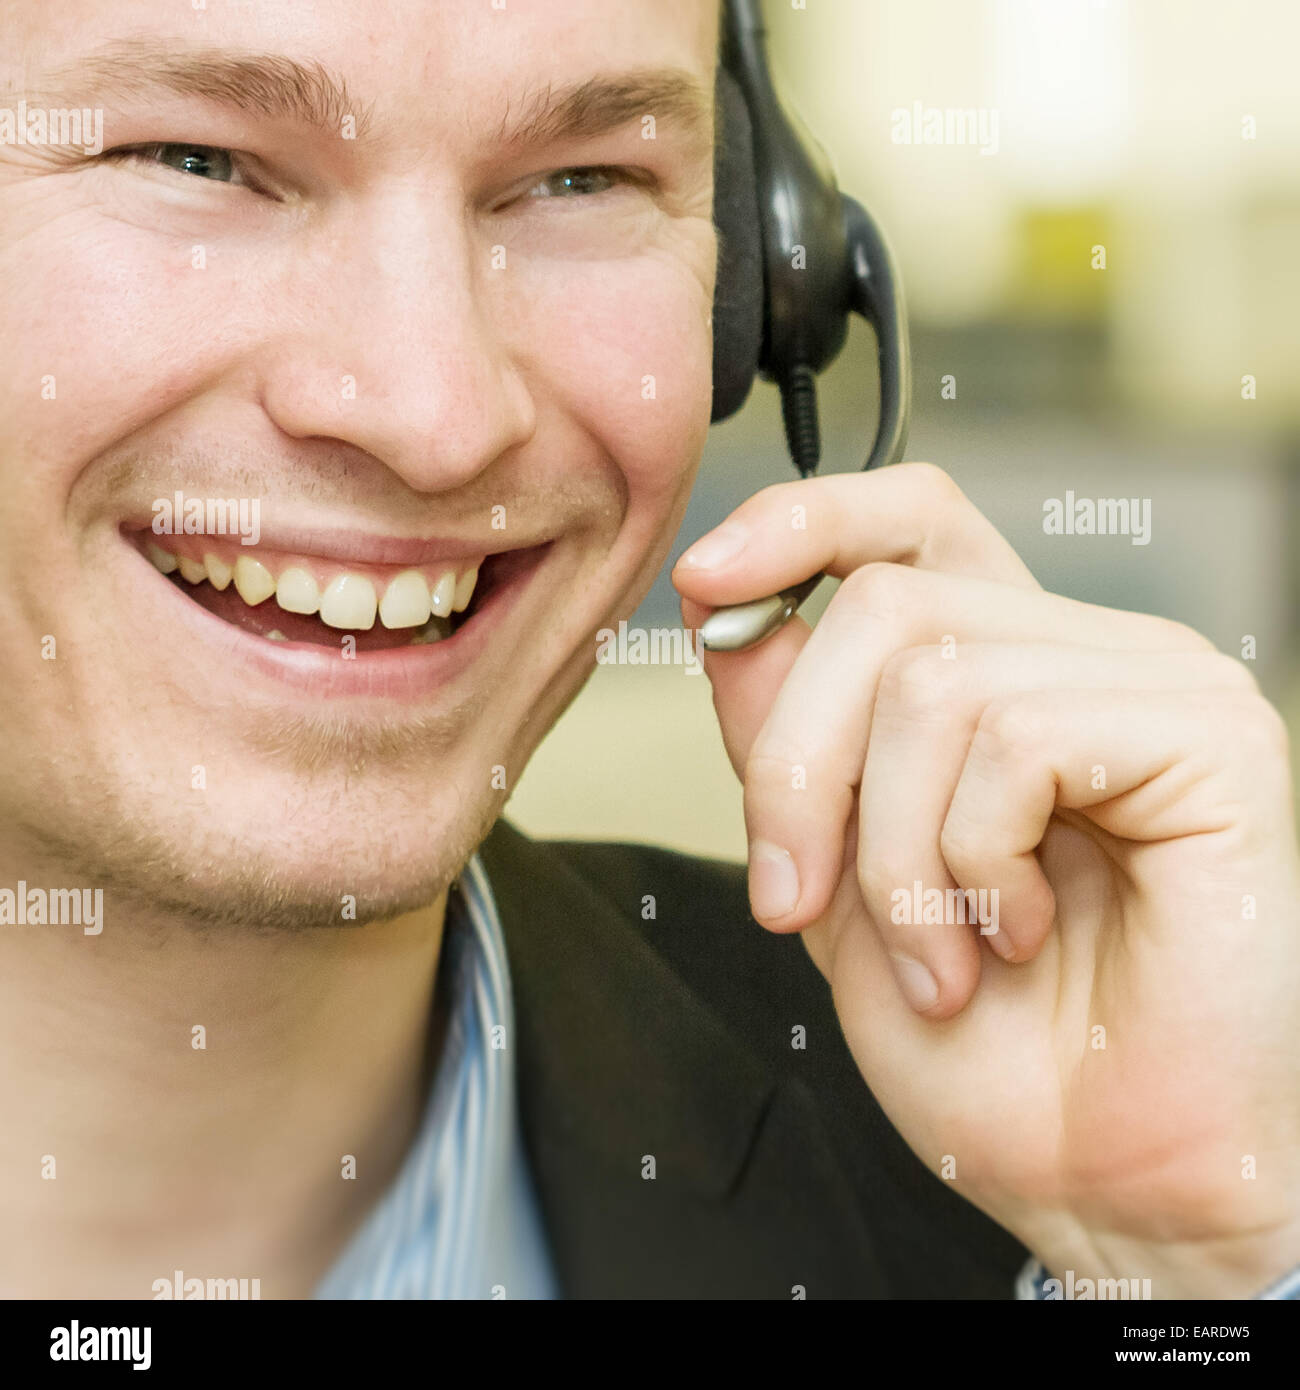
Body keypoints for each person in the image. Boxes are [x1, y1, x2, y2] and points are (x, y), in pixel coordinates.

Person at [1, 0, 1296, 1301]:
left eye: (582, 180)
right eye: (195, 161)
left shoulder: (994, 1177)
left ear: (764, 286)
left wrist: (1195, 1271)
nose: (434, 413)